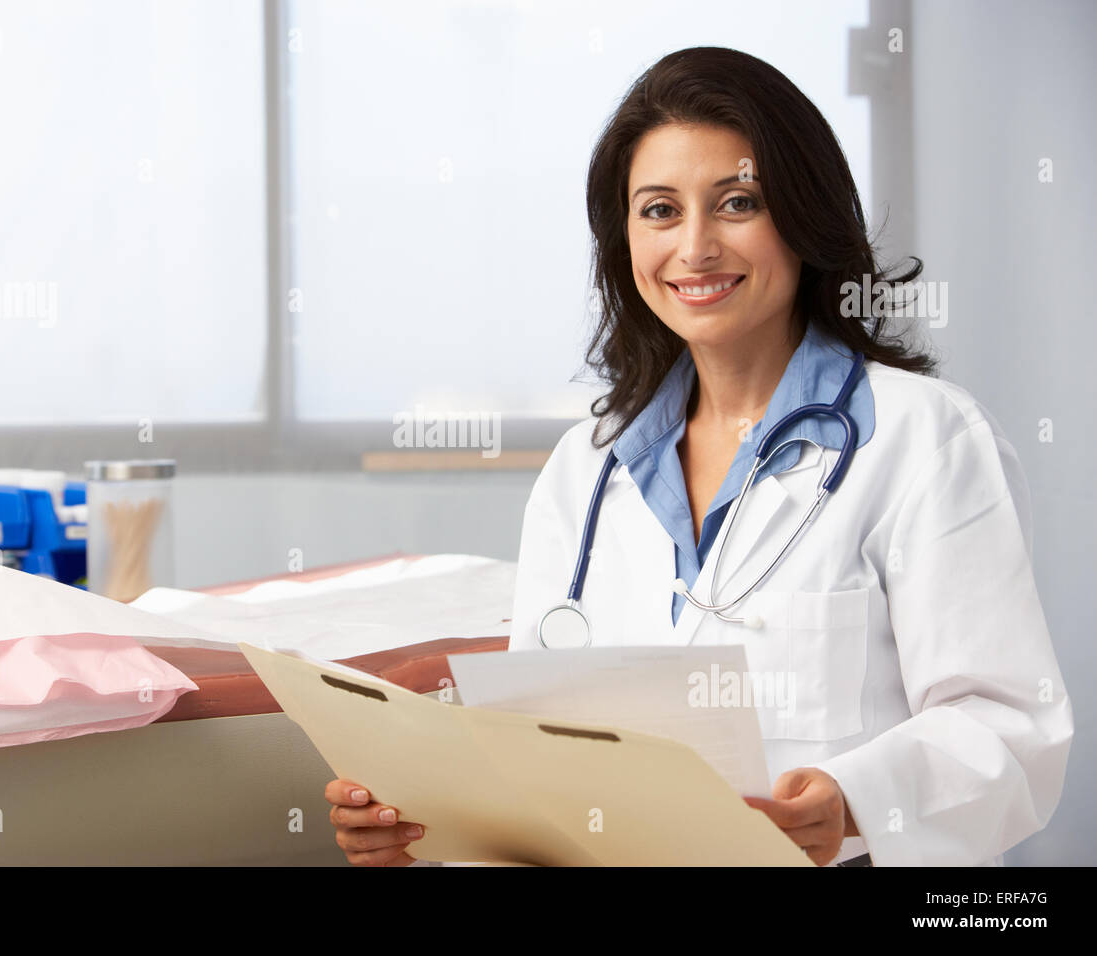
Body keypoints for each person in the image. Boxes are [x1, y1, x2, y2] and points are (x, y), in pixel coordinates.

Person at [324, 46, 1073, 867]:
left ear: (802, 215)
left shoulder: (923, 437)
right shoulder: (588, 469)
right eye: (659, 210)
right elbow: (532, 765)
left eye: (737, 202)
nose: (695, 247)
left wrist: (855, 802)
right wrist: (422, 839)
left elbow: (1011, 726)